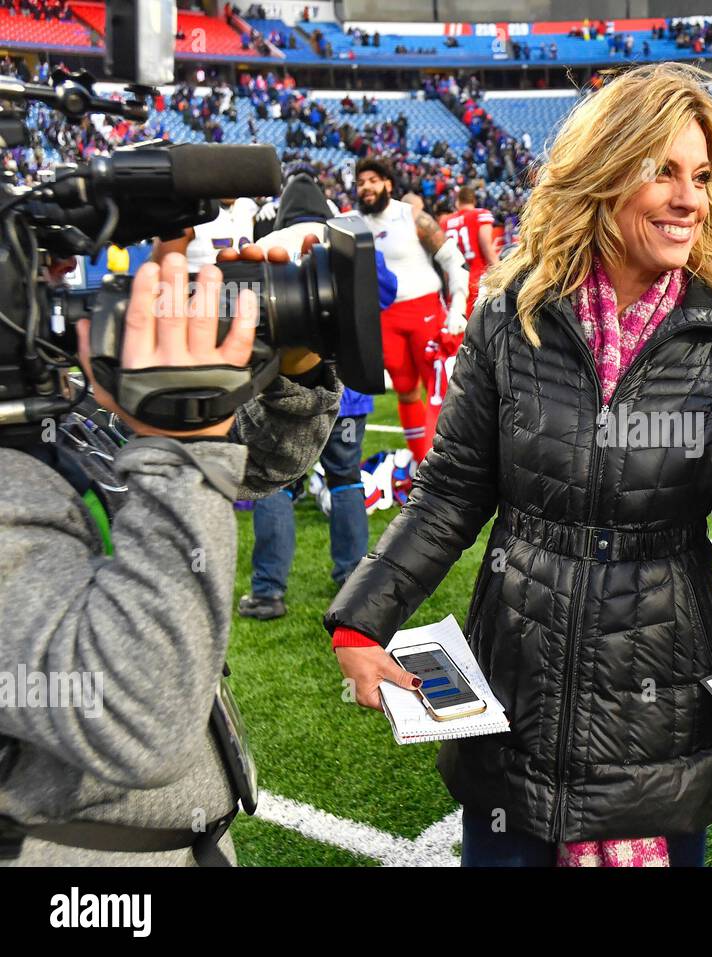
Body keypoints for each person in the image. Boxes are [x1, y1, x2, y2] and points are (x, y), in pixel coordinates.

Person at [325, 62, 712, 868]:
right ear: (603, 175)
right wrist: (361, 619)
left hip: (662, 709)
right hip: (515, 693)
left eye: (701, 176)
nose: (688, 199)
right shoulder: (513, 317)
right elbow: (450, 493)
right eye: (661, 171)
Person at [0, 243, 342, 865]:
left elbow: (254, 468)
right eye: (30, 257)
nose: (61, 274)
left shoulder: (46, 404)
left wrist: (280, 369)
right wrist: (183, 444)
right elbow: (136, 715)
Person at [237, 175, 392, 620]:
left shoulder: (270, 249)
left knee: (276, 486)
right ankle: (354, 581)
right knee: (346, 479)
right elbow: (386, 291)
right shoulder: (346, 241)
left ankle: (268, 592)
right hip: (349, 392)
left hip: (284, 394)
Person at [355, 157, 468, 462]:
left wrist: (458, 307)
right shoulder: (353, 223)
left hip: (424, 311)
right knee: (405, 390)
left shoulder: (412, 217)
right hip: (384, 317)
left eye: (373, 180)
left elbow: (453, 260)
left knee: (440, 393)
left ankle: (452, 465)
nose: (366, 187)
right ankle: (423, 466)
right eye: (361, 182)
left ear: (388, 184)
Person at [442, 183, 499, 315]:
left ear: (457, 201)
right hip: (478, 279)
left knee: (460, 327)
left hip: (455, 280)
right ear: (473, 200)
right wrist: (501, 274)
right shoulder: (480, 214)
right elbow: (487, 248)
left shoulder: (445, 222)